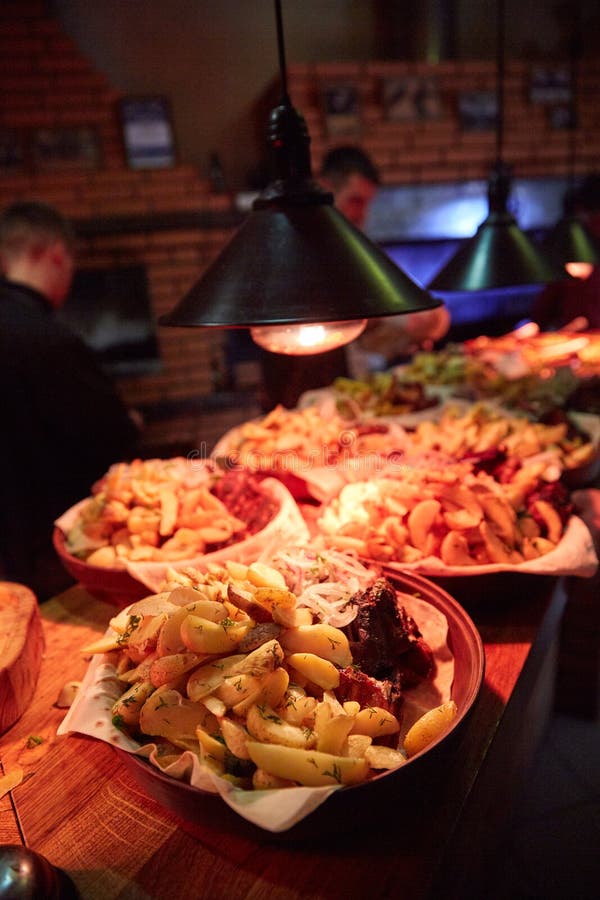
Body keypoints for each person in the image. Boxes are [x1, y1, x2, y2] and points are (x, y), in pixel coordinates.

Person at [0, 201, 141, 599]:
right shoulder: (50, 339)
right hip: (56, 549)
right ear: (58, 254)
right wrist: (130, 421)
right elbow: (112, 434)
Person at [259, 146, 450, 408]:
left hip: (342, 390)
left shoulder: (348, 246)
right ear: (324, 188)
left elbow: (363, 318)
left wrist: (410, 318)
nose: (362, 214)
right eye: (355, 201)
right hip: (295, 394)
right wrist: (396, 318)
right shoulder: (288, 242)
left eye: (367, 204)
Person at [530, 173, 600, 331]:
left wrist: (537, 322)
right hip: (578, 340)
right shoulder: (575, 242)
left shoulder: (577, 241)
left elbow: (545, 304)